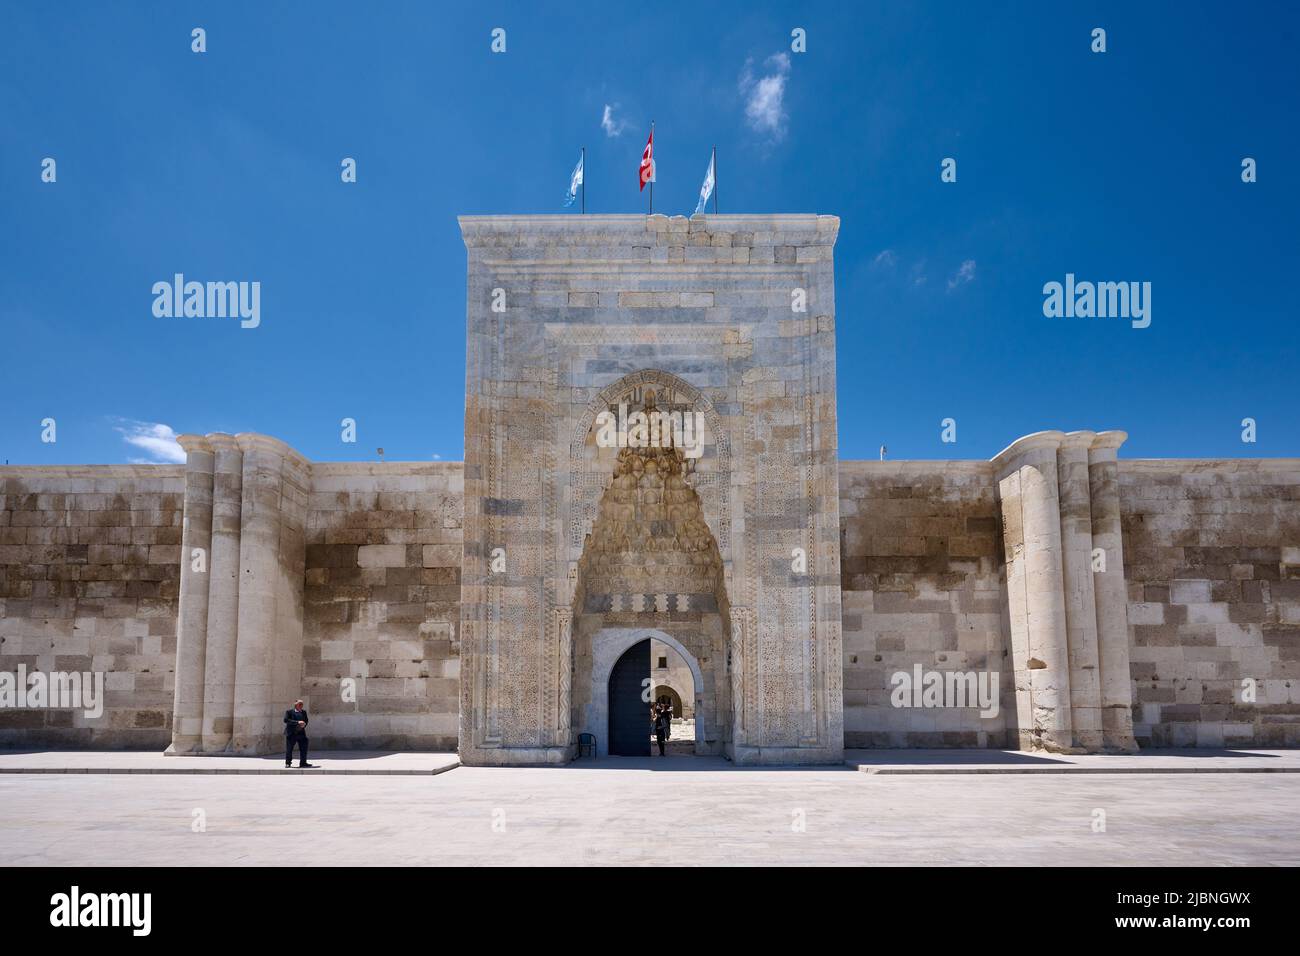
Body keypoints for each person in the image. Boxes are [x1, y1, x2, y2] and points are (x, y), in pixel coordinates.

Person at [284, 699, 317, 768]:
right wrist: (297, 722)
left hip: (301, 733)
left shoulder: (303, 712)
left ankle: (303, 763)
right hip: (291, 733)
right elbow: (286, 720)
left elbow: (306, 720)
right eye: (300, 704)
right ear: (296, 705)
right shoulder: (289, 712)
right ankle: (288, 763)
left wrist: (304, 724)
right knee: (289, 749)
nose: (301, 706)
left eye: (302, 704)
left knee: (304, 748)